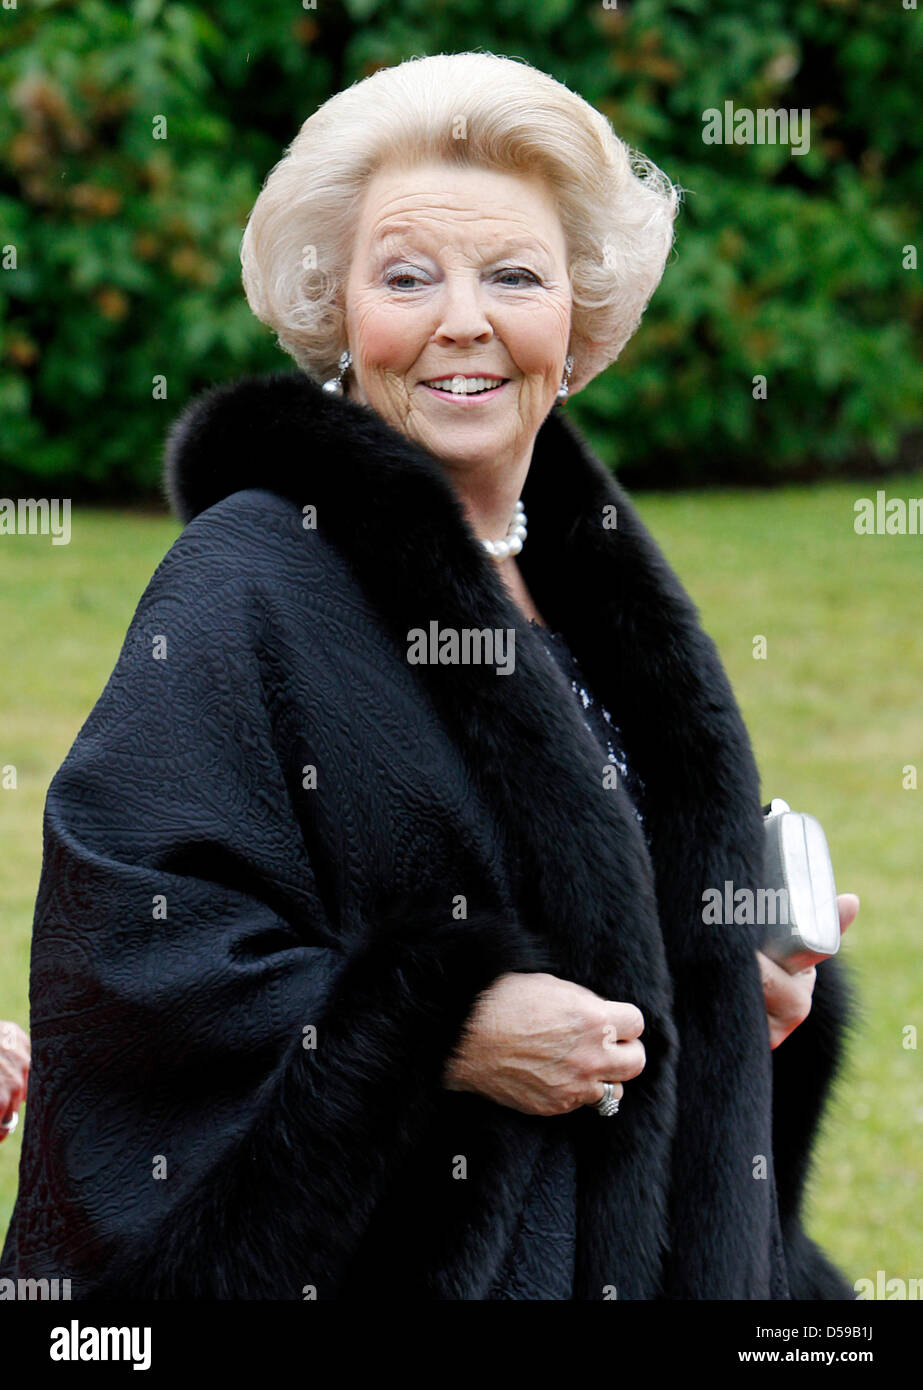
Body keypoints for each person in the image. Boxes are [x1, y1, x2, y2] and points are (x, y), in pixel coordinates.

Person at [0, 51, 859, 1300]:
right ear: (339, 316)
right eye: (407, 277)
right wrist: (436, 1032)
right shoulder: (246, 579)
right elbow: (133, 953)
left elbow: (606, 924)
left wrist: (728, 985)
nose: (463, 319)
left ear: (577, 323)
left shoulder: (599, 588)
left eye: (512, 274)